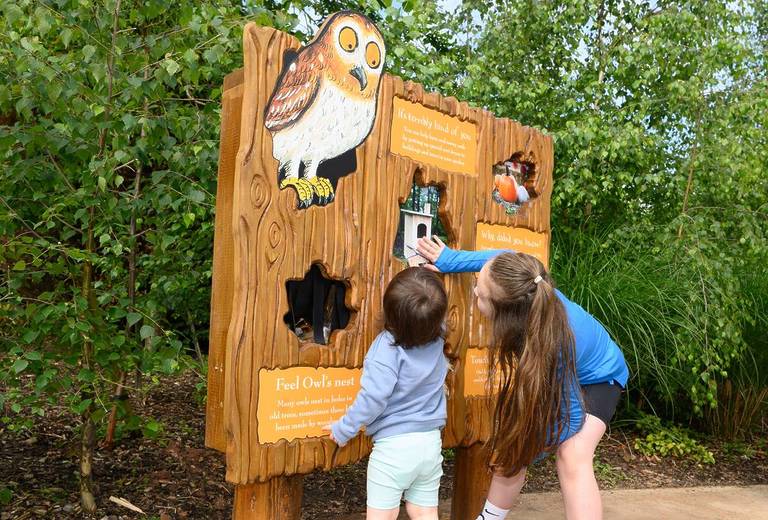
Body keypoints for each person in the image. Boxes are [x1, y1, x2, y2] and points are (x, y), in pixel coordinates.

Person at [416, 236, 629, 520]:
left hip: (601, 378)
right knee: (513, 453)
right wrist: (450, 260)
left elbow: (570, 415)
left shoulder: (553, 343)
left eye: (480, 294)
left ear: (505, 313)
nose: (476, 287)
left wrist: (532, 446)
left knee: (571, 456)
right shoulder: (525, 281)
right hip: (564, 372)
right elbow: (500, 257)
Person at [325, 267, 449, 520]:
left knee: (382, 515)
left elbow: (373, 398)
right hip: (429, 444)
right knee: (424, 512)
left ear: (389, 313)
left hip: (394, 449)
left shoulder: (385, 349)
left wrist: (343, 428)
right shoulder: (438, 339)